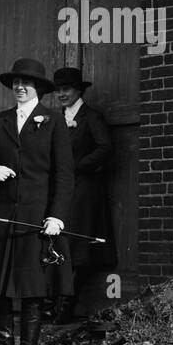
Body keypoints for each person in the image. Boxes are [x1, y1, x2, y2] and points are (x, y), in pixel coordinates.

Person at [0, 58, 74, 345]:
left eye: (26, 82)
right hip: (2, 214)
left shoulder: (54, 121)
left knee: (32, 286)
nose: (20, 87)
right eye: (15, 82)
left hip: (37, 217)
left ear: (39, 88)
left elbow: (65, 175)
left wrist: (56, 216)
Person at [48, 67, 116, 323]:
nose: (61, 94)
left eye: (66, 89)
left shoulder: (91, 118)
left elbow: (105, 148)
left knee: (77, 248)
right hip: (61, 190)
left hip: (84, 191)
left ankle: (65, 306)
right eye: (58, 90)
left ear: (79, 91)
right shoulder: (56, 118)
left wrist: (77, 166)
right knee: (57, 243)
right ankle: (53, 302)